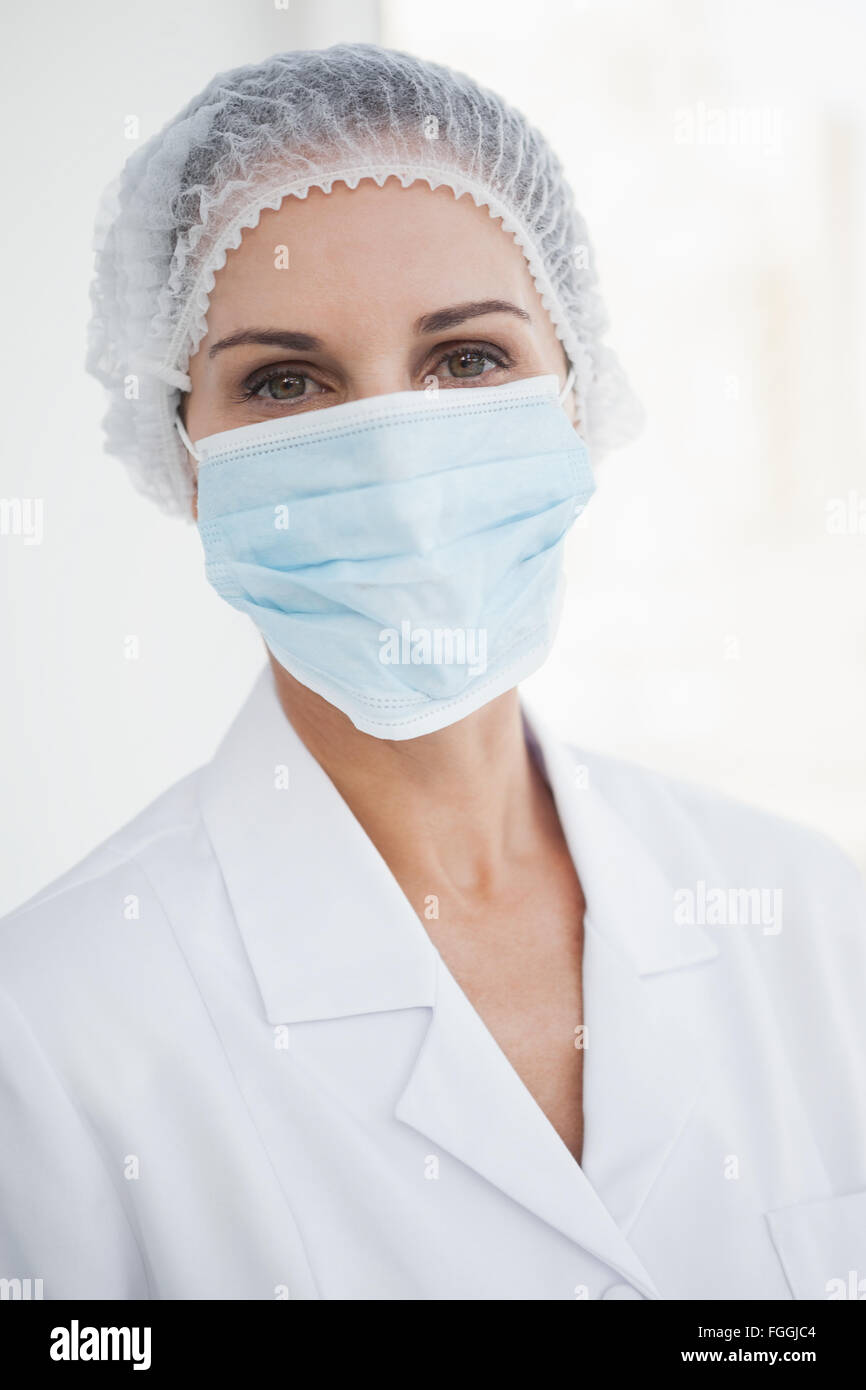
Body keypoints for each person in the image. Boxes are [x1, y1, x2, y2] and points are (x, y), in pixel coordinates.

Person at [1, 43, 864, 1302]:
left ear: (576, 395)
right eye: (284, 382)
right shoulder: (50, 1031)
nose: (397, 461)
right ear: (180, 455)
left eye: (465, 361)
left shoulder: (809, 918)